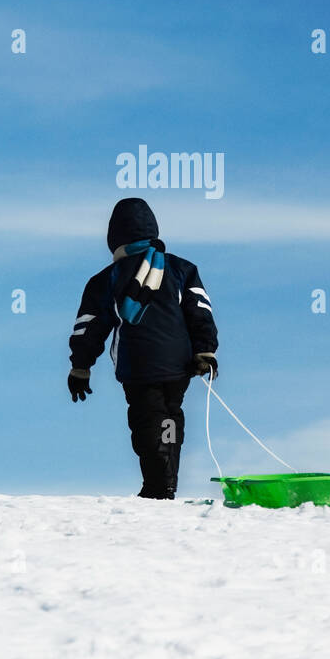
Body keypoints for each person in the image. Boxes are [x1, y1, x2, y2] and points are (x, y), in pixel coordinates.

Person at [68, 198, 218, 499]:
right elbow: (200, 312)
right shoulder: (181, 269)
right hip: (179, 364)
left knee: (147, 420)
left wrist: (80, 367)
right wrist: (206, 353)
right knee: (169, 417)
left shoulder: (106, 279)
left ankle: (156, 486)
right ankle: (167, 481)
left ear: (114, 238)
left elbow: (89, 327)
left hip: (137, 365)